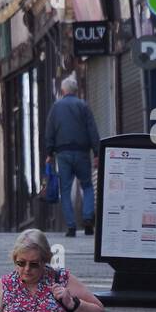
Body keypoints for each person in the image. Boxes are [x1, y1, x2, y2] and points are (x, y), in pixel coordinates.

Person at [43, 76, 100, 238]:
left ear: (63, 91)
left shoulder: (56, 107)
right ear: (76, 91)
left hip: (63, 154)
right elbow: (92, 130)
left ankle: (71, 226)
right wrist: (96, 153)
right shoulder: (83, 106)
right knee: (88, 186)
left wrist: (49, 153)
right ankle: (88, 218)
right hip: (82, 152)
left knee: (65, 190)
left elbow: (50, 131)